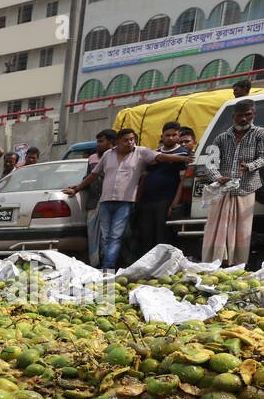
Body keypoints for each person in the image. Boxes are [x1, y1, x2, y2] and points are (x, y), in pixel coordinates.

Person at [64, 128, 189, 270]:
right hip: (105, 202)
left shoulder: (141, 152)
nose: (130, 142)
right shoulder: (107, 155)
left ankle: (108, 268)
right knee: (105, 237)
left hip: (125, 202)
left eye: (132, 139)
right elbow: (94, 175)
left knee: (115, 236)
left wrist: (182, 158)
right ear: (117, 142)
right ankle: (110, 266)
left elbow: (160, 157)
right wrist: (77, 189)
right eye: (126, 140)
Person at [202, 99, 264, 267]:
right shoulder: (221, 137)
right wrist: (217, 177)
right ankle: (215, 263)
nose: (244, 119)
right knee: (217, 229)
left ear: (253, 114)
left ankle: (237, 265)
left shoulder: (260, 133)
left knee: (241, 232)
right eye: (240, 116)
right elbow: (210, 162)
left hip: (247, 188)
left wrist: (250, 166)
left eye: (248, 115)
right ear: (233, 117)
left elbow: (263, 157)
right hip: (223, 190)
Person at [133, 122, 188, 255]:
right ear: (162, 136)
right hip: (148, 201)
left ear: (179, 135)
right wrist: (138, 201)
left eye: (174, 135)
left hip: (166, 200)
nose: (170, 138)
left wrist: (174, 204)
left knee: (162, 237)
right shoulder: (154, 153)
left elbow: (182, 181)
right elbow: (144, 178)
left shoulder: (183, 154)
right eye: (167, 135)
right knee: (146, 237)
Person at [82, 129, 116, 266]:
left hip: (111, 201)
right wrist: (77, 187)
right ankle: (95, 264)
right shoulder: (92, 158)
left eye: (101, 141)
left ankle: (108, 264)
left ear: (111, 142)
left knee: (108, 236)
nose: (98, 144)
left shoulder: (117, 157)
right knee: (93, 235)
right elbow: (88, 178)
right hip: (94, 201)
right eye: (98, 141)